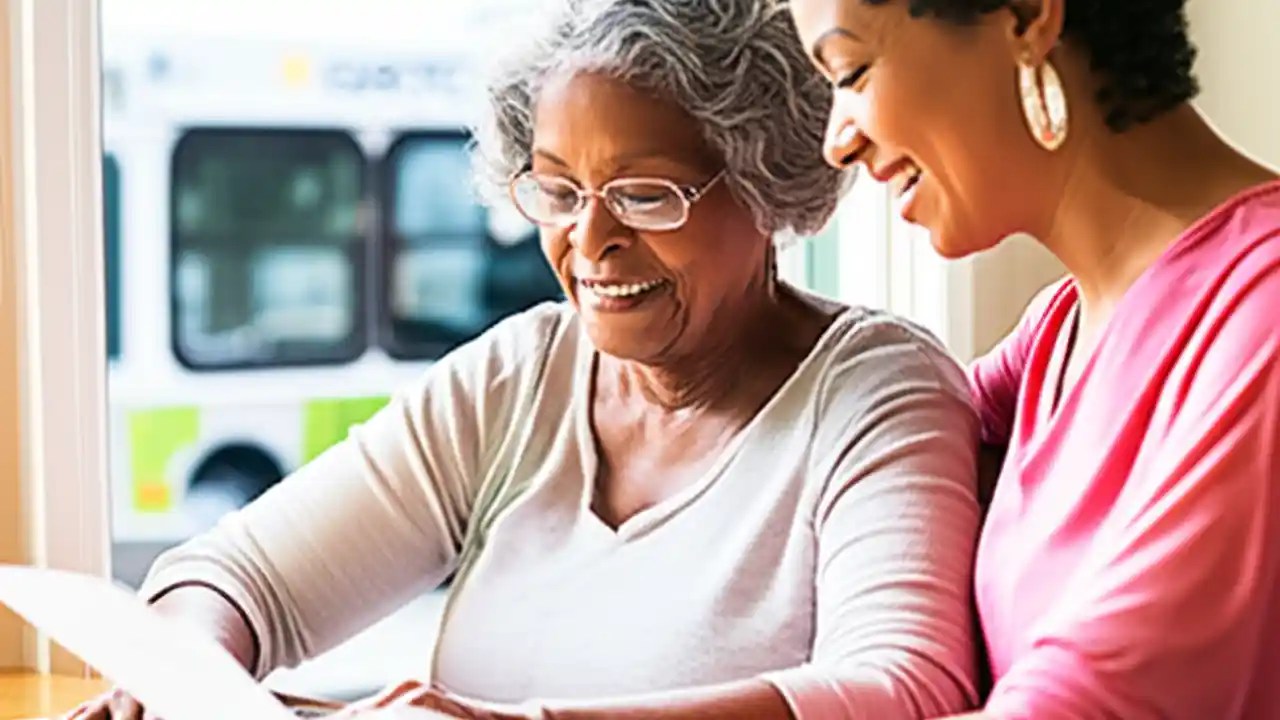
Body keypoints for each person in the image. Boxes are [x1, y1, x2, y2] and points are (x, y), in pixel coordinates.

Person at [71, 1, 984, 718]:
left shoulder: (876, 391)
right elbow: (237, 580)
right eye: (558, 187)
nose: (589, 240)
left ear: (766, 186)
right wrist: (181, 678)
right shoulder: (522, 377)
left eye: (643, 194)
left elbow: (905, 690)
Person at [789, 0, 1280, 718]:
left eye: (851, 70)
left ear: (1025, 17)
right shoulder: (1051, 336)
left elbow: (1085, 700)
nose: (838, 142)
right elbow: (863, 444)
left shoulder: (1260, 320)